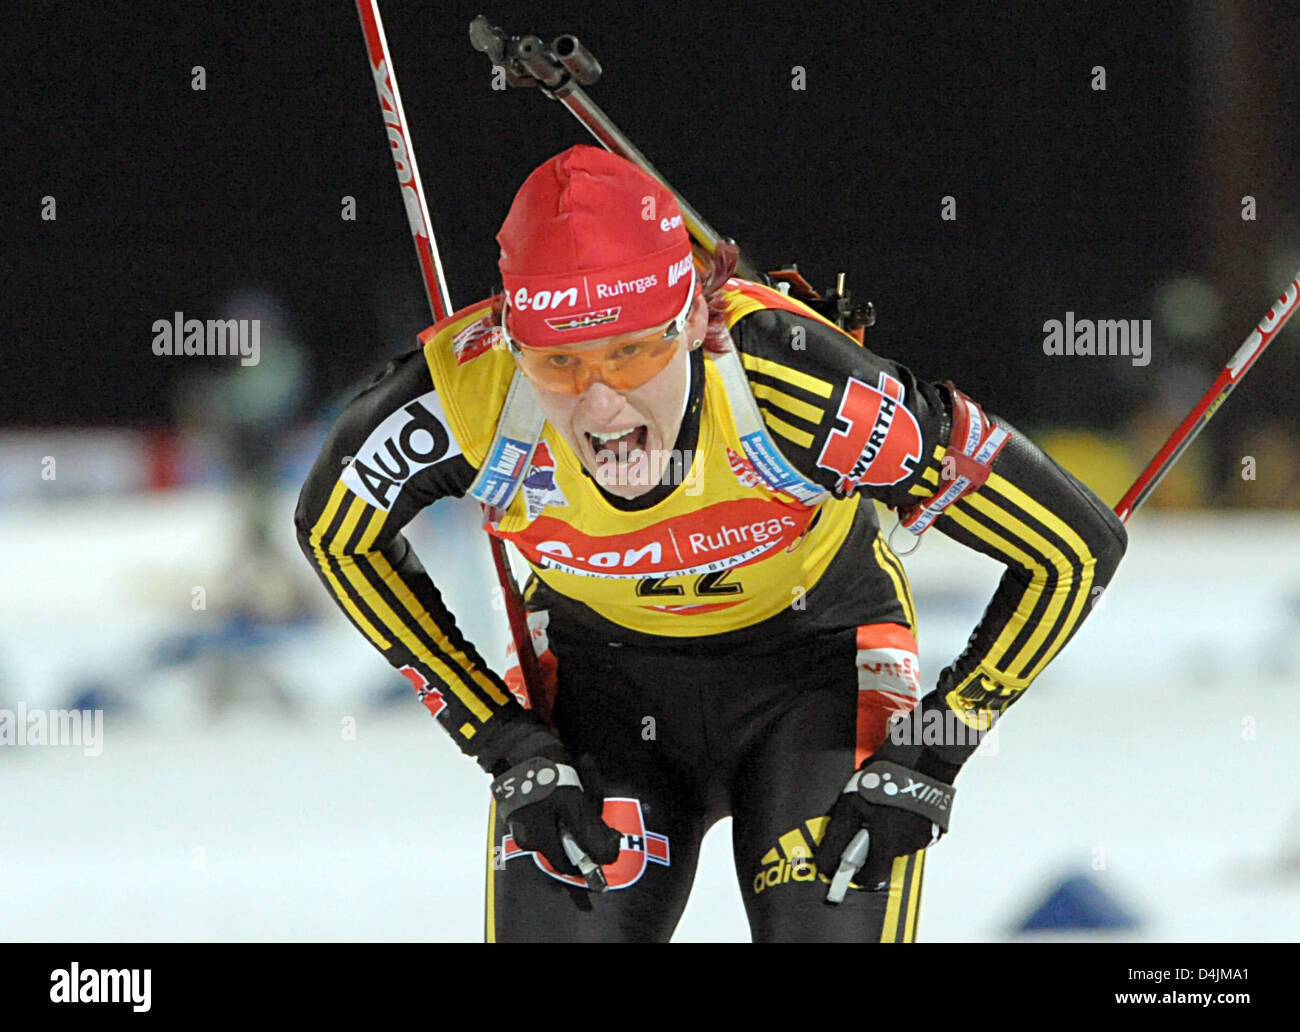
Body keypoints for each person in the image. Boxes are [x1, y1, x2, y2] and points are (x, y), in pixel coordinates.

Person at [294, 145, 1127, 942]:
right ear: (516, 346)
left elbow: (1075, 546)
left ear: (694, 315)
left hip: (817, 671)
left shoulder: (797, 383)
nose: (602, 406)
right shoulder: (465, 394)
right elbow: (336, 537)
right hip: (602, 692)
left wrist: (935, 749)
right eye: (560, 365)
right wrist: (505, 741)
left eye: (632, 351)